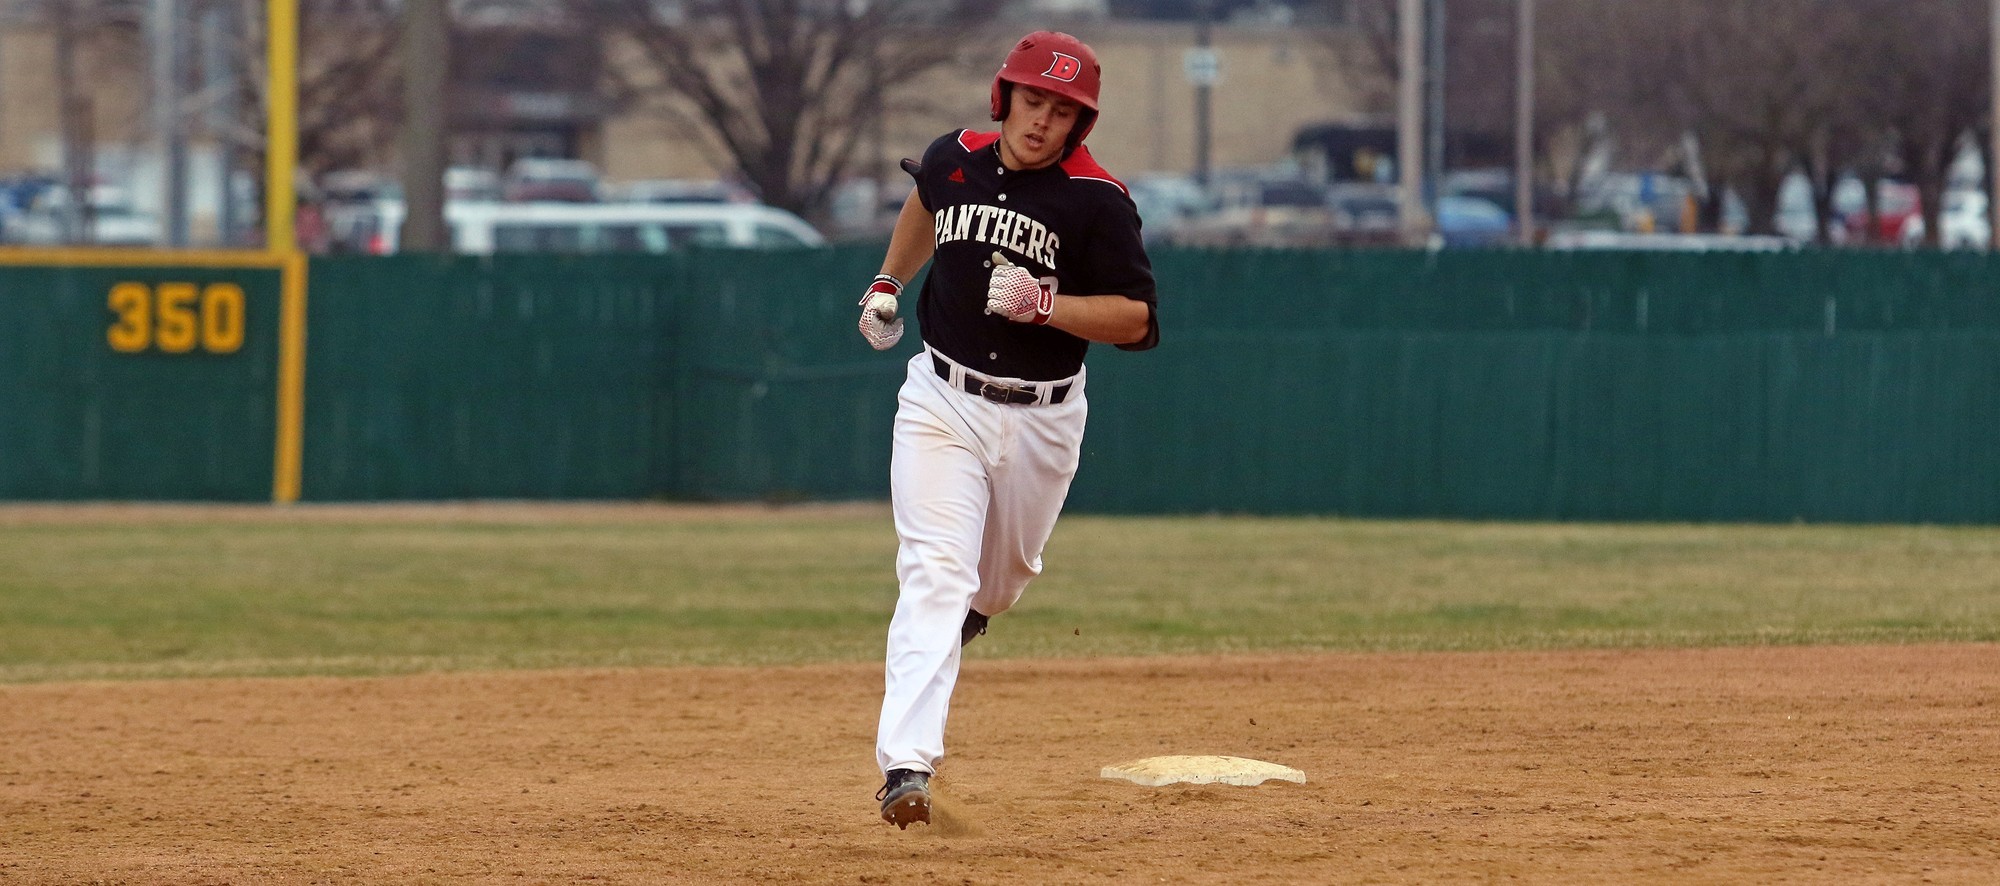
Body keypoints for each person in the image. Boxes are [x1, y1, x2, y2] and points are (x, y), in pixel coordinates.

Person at [856, 29, 1159, 830]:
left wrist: (1049, 307)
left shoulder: (1098, 200)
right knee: (934, 575)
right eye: (1033, 101)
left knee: (1002, 579)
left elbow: (1136, 319)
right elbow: (928, 200)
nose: (1042, 122)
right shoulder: (954, 156)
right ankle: (907, 767)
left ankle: (971, 615)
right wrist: (889, 282)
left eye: (1063, 112)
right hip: (942, 402)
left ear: (1078, 124)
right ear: (1005, 98)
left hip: (1044, 418)